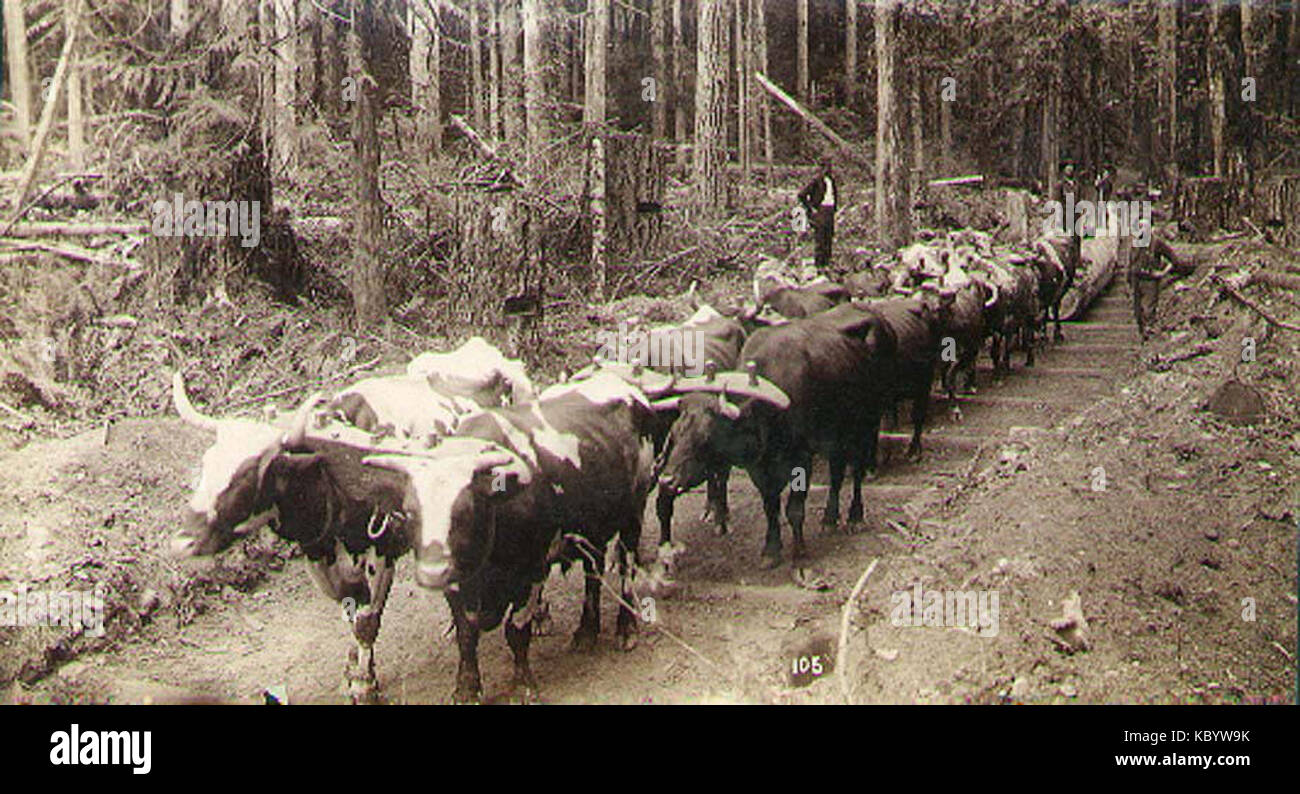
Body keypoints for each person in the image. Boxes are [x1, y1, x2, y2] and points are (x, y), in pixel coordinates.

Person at [1127, 230, 1184, 340]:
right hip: (1136, 280)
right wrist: (1129, 280)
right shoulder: (1135, 242)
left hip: (1150, 280)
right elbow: (1131, 262)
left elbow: (1173, 259)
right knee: (1138, 312)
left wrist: (1162, 273)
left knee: (1148, 310)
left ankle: (1149, 337)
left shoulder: (1156, 242)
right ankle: (1143, 336)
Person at [797, 162, 838, 270]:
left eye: (829, 167)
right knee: (820, 238)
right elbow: (802, 195)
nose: (827, 170)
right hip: (821, 210)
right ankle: (819, 265)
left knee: (828, 237)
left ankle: (827, 263)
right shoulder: (816, 181)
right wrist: (811, 208)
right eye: (825, 167)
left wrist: (834, 209)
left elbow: (834, 195)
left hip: (830, 210)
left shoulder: (831, 180)